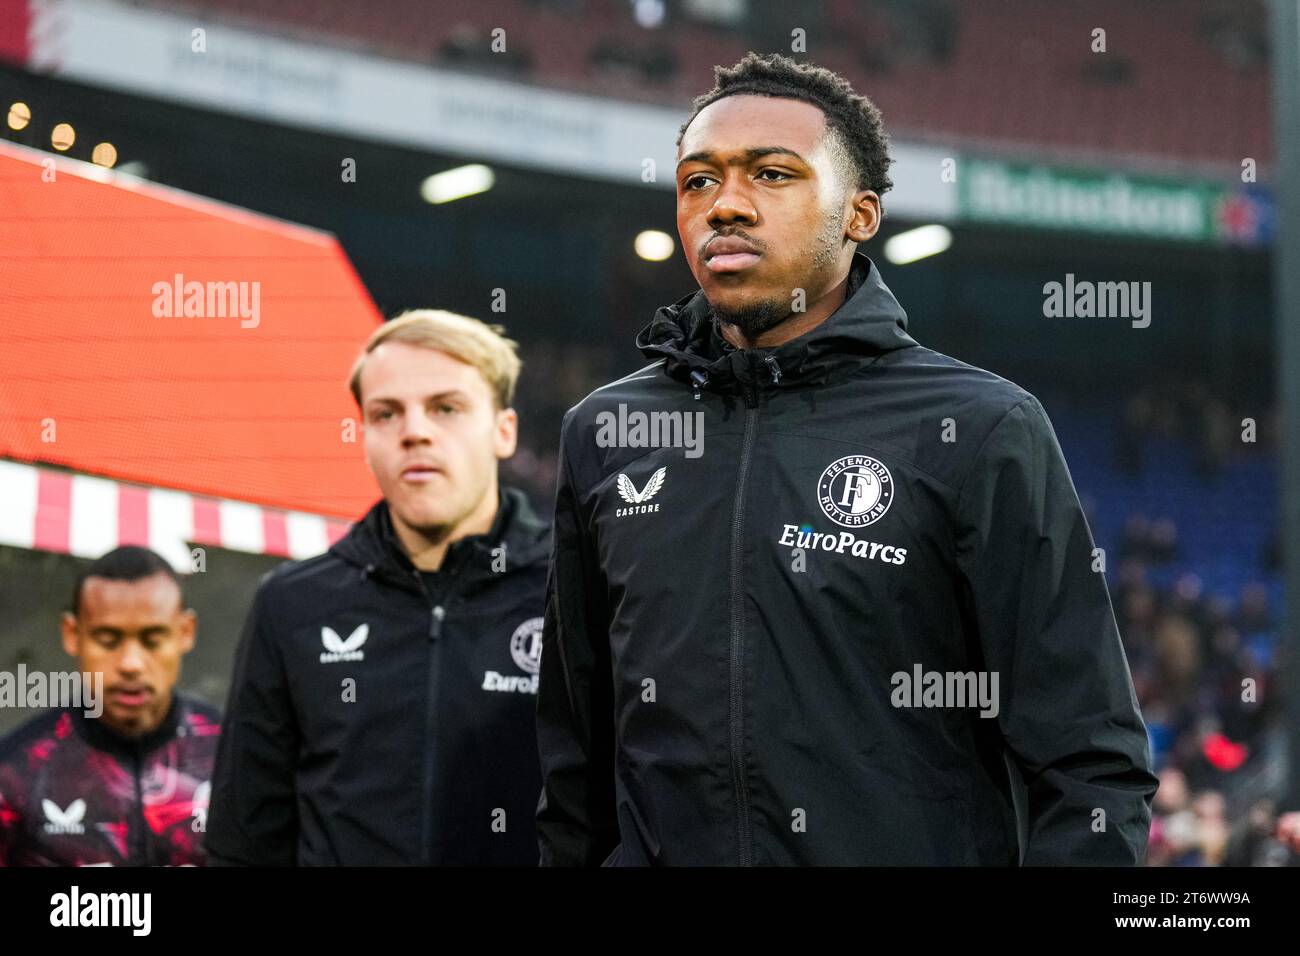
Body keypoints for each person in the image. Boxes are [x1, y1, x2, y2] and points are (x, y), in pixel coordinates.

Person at [536, 53, 1158, 866]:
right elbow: (574, 768)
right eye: (698, 181)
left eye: (772, 174)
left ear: (860, 214)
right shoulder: (605, 431)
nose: (726, 204)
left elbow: (1088, 761)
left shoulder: (980, 427)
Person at [206, 310, 550, 865]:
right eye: (386, 413)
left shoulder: (573, 593)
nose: (414, 431)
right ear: (363, 435)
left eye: (445, 408)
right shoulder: (292, 603)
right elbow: (243, 842)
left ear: (503, 430)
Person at [0, 546, 219, 866]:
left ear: (185, 632)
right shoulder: (15, 771)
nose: (131, 664)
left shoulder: (234, 756)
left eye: (152, 639)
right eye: (108, 639)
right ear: (72, 634)